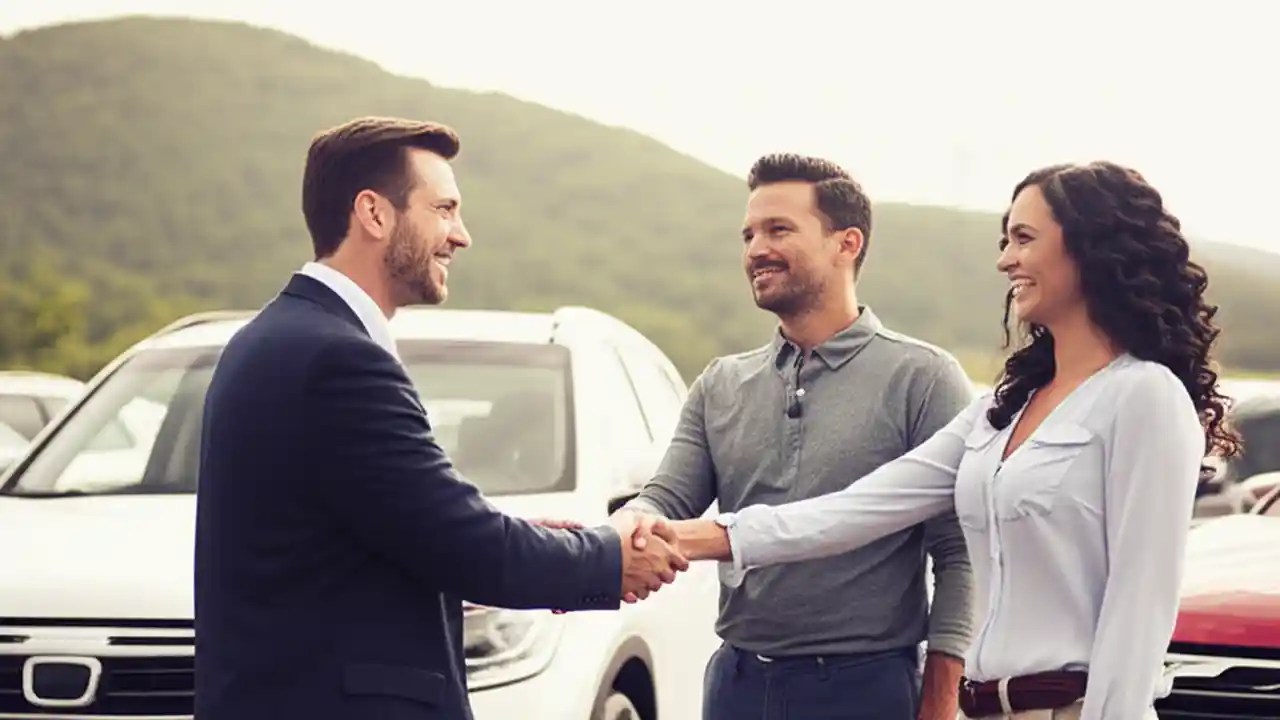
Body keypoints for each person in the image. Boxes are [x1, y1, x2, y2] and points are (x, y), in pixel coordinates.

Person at [669, 160, 1241, 720]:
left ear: (1089, 247)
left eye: (1023, 238)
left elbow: (1138, 612)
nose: (1004, 259)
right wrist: (682, 538)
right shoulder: (1004, 407)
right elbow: (850, 512)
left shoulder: (1146, 397)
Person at [193, 116, 687, 720]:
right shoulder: (337, 358)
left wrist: (541, 534)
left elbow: (395, 521)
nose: (462, 236)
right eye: (444, 209)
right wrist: (608, 560)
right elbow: (463, 546)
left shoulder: (274, 339)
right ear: (374, 214)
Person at [616, 153, 976, 720]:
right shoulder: (720, 383)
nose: (756, 248)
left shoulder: (924, 378)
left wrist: (939, 702)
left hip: (868, 690)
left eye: (779, 229)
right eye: (749, 234)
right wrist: (604, 538)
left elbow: (959, 556)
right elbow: (664, 499)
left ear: (847, 243)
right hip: (736, 685)